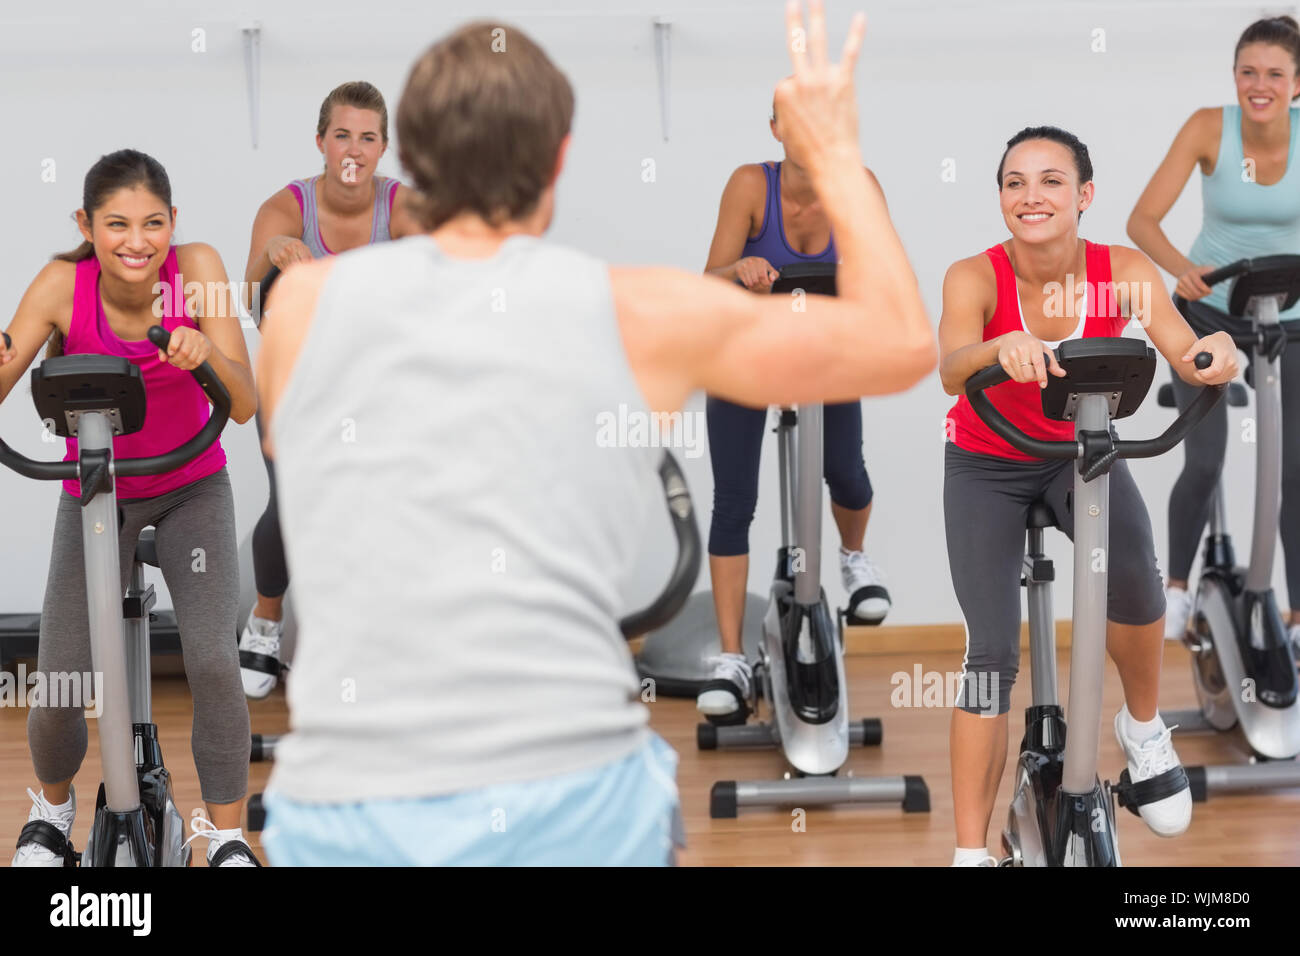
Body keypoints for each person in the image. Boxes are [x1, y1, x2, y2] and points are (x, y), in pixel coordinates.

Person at [255, 2, 935, 866]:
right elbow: (905, 344)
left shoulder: (303, 310)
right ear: (560, 158)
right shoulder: (638, 309)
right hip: (572, 794)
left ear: (409, 156)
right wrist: (838, 155)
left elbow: (296, 458)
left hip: (347, 801)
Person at [938, 127, 1239, 867]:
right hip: (988, 462)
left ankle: (1141, 728)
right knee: (989, 652)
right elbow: (950, 367)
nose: (1030, 197)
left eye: (1049, 181)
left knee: (1137, 585)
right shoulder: (973, 276)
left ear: (1084, 195)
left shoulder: (1123, 269)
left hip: (1082, 457)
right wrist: (994, 350)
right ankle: (971, 853)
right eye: (1014, 182)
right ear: (1001, 196)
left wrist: (1215, 354)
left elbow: (1181, 347)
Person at [0, 149, 260, 867]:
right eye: (116, 224)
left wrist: (207, 352)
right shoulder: (61, 284)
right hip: (97, 492)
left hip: (190, 487)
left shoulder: (198, 269)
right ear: (86, 223)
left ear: (173, 222)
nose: (137, 241)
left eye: (152, 223)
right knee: (59, 679)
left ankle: (227, 835)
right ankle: (52, 818)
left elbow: (243, 404)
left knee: (212, 660)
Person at [696, 97, 891, 722]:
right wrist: (740, 266)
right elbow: (708, 280)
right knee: (734, 501)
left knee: (847, 471)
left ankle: (853, 561)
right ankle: (730, 658)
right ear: (777, 129)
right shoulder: (752, 184)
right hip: (744, 355)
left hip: (823, 355)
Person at [237, 81, 422, 697]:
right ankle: (266, 618)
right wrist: (273, 257)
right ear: (321, 141)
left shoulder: (403, 208)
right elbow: (251, 300)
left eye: (367, 137)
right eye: (342, 134)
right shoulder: (287, 207)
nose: (353, 147)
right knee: (293, 502)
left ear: (383, 147)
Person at [1127, 16, 1300, 647]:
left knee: (1294, 471)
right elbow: (1141, 221)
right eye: (1248, 72)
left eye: (1275, 74)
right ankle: (1174, 592)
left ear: (1297, 84)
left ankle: (1297, 617)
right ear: (1235, 77)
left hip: (1287, 321)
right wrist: (1183, 270)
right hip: (1207, 313)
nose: (1260, 85)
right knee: (1205, 459)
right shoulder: (1209, 127)